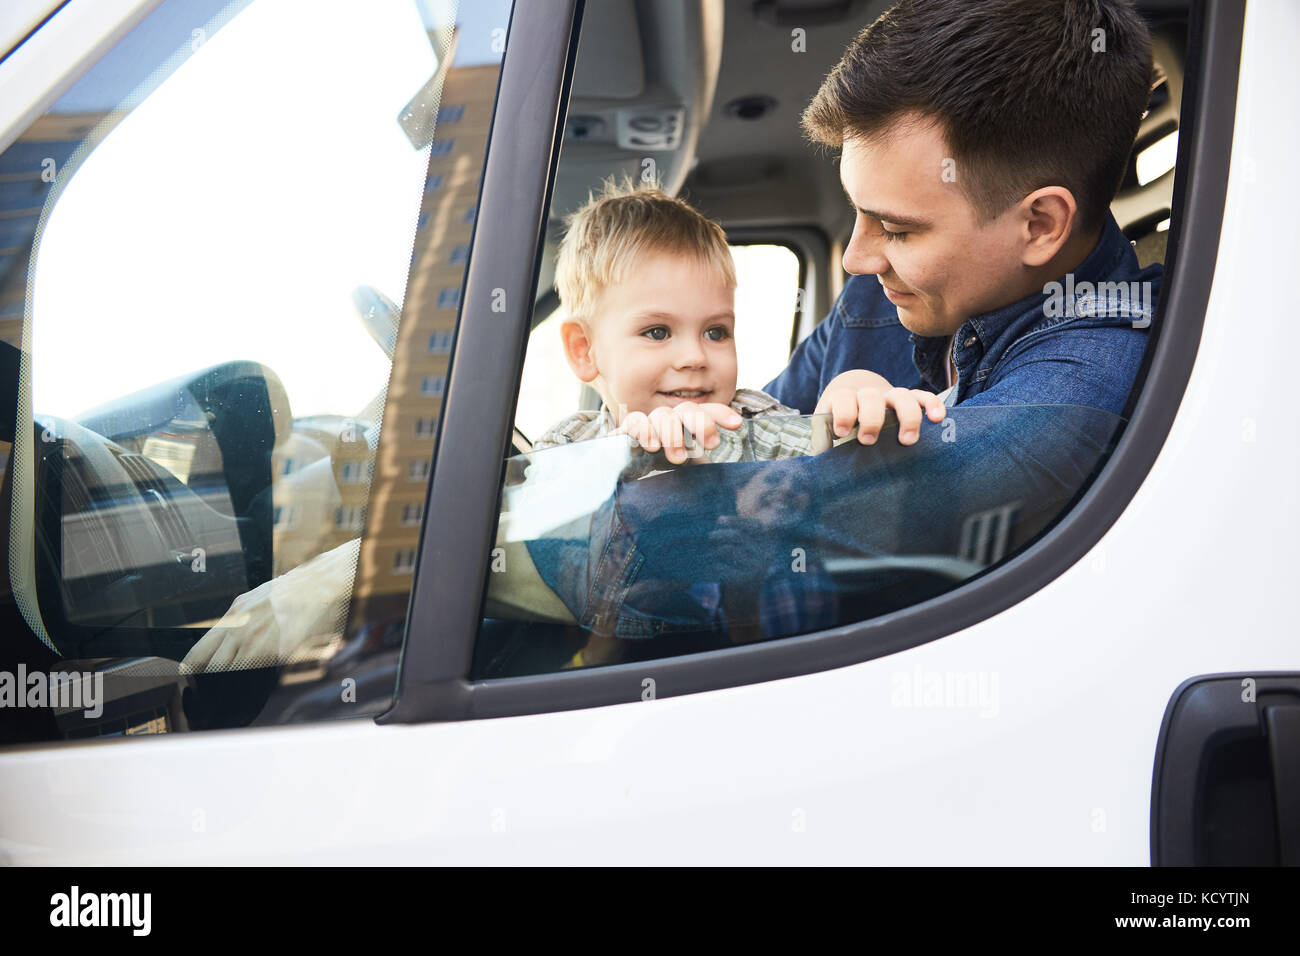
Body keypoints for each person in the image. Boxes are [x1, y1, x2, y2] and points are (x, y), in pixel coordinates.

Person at [499, 0, 1165, 652]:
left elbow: (674, 529)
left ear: (1039, 224)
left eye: (898, 229)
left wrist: (485, 530)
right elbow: (755, 427)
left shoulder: (1080, 393)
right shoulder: (881, 293)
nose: (856, 258)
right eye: (857, 214)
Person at [530, 177, 946, 465]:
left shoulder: (753, 420)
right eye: (657, 332)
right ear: (584, 350)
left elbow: (820, 470)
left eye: (716, 332)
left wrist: (854, 395)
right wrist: (632, 462)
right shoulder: (567, 449)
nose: (694, 356)